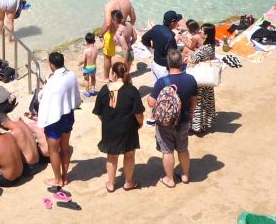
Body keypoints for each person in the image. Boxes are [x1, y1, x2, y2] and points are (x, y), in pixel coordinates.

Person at [148, 48, 198, 187]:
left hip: (165, 123)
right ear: (181, 62)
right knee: (183, 149)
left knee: (167, 150)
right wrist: (192, 113)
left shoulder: (162, 82)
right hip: (184, 121)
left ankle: (169, 179)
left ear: (168, 64)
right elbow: (194, 99)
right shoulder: (190, 79)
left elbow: (151, 103)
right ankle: (185, 175)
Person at [92, 61, 144, 192]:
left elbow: (99, 113)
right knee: (129, 155)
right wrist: (140, 123)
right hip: (128, 128)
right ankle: (129, 182)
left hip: (109, 128)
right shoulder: (132, 91)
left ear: (114, 74)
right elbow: (138, 113)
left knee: (111, 156)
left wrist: (107, 121)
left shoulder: (104, 90)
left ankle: (110, 183)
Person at [38, 51, 81, 191]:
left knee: (54, 150)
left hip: (55, 118)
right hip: (68, 114)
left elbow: (42, 97)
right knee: (65, 147)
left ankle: (58, 179)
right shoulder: (71, 75)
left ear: (51, 65)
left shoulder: (52, 81)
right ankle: (65, 177)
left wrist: (45, 82)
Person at [187, 23, 218, 135]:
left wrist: (189, 55)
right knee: (206, 103)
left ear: (206, 35)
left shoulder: (203, 49)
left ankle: (196, 127)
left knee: (197, 103)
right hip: (207, 79)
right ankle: (204, 124)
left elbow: (193, 60)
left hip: (199, 80)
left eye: (201, 31)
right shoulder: (211, 46)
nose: (199, 32)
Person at [141, 10, 181, 81]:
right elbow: (171, 57)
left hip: (155, 64)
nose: (177, 23)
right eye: (176, 21)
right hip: (164, 69)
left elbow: (144, 39)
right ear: (172, 23)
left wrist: (151, 49)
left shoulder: (156, 28)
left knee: (157, 87)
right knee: (166, 90)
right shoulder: (170, 38)